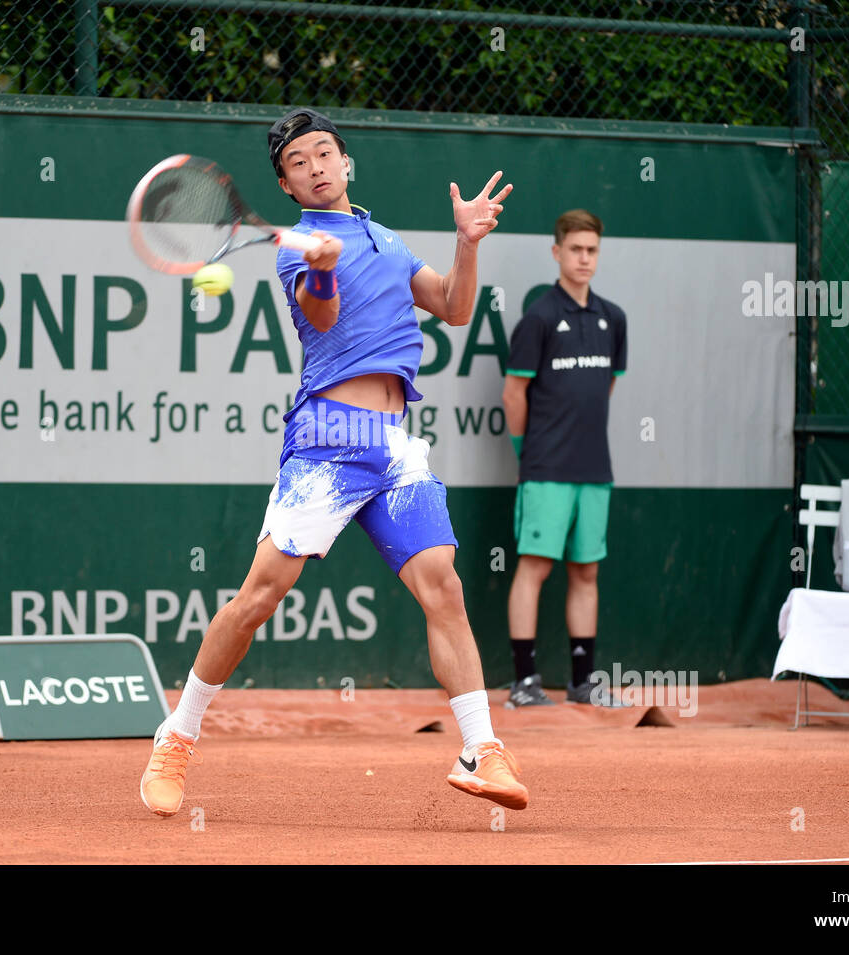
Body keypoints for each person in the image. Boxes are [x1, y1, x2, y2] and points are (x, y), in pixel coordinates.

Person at [140, 107, 529, 815]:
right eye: (299, 162)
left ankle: (481, 748)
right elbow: (319, 318)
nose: (316, 166)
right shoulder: (299, 246)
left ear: (346, 162)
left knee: (443, 582)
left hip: (396, 445)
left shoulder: (385, 236)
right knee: (260, 596)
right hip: (326, 441)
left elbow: (451, 305)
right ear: (287, 186)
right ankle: (178, 732)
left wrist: (467, 242)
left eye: (325, 152)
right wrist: (320, 272)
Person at [502, 209, 627, 707]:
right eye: (575, 249)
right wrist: (524, 451)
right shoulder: (538, 319)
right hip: (545, 468)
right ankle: (524, 682)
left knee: (587, 572)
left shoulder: (613, 318)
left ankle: (582, 683)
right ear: (557, 253)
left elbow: (607, 385)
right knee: (534, 567)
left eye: (592, 250)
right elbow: (515, 394)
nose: (584, 258)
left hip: (594, 469)